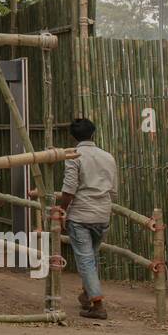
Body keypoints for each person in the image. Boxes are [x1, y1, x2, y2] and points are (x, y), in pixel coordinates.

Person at [58, 117, 118, 320]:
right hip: (103, 214)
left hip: (81, 215)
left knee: (85, 259)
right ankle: (87, 294)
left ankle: (98, 304)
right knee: (90, 257)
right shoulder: (108, 157)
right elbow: (114, 189)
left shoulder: (74, 156)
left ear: (73, 137)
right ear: (93, 134)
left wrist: (62, 209)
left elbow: (69, 189)